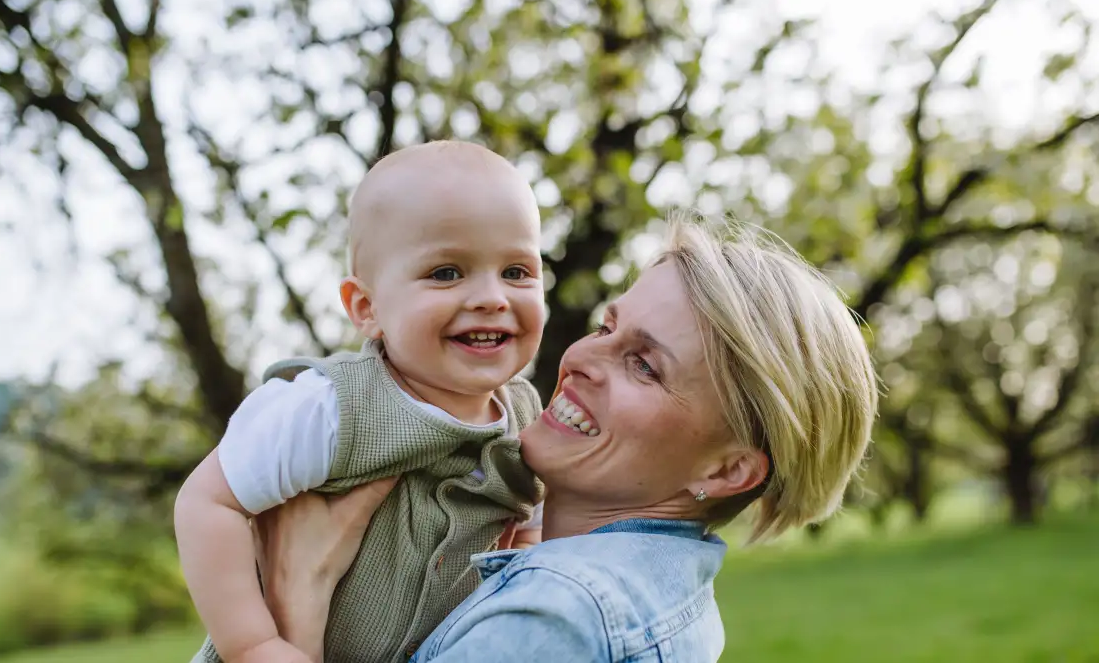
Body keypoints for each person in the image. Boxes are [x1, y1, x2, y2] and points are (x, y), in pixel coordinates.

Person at [250, 214, 880, 662]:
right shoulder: (666, 589)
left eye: (644, 365)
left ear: (726, 472)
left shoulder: (560, 616)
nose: (581, 358)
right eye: (609, 326)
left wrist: (297, 605)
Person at [174, 141, 549, 663]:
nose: (492, 296)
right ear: (367, 307)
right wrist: (253, 644)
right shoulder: (329, 407)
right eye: (446, 272)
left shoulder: (528, 422)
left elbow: (532, 528)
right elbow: (206, 502)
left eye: (516, 271)